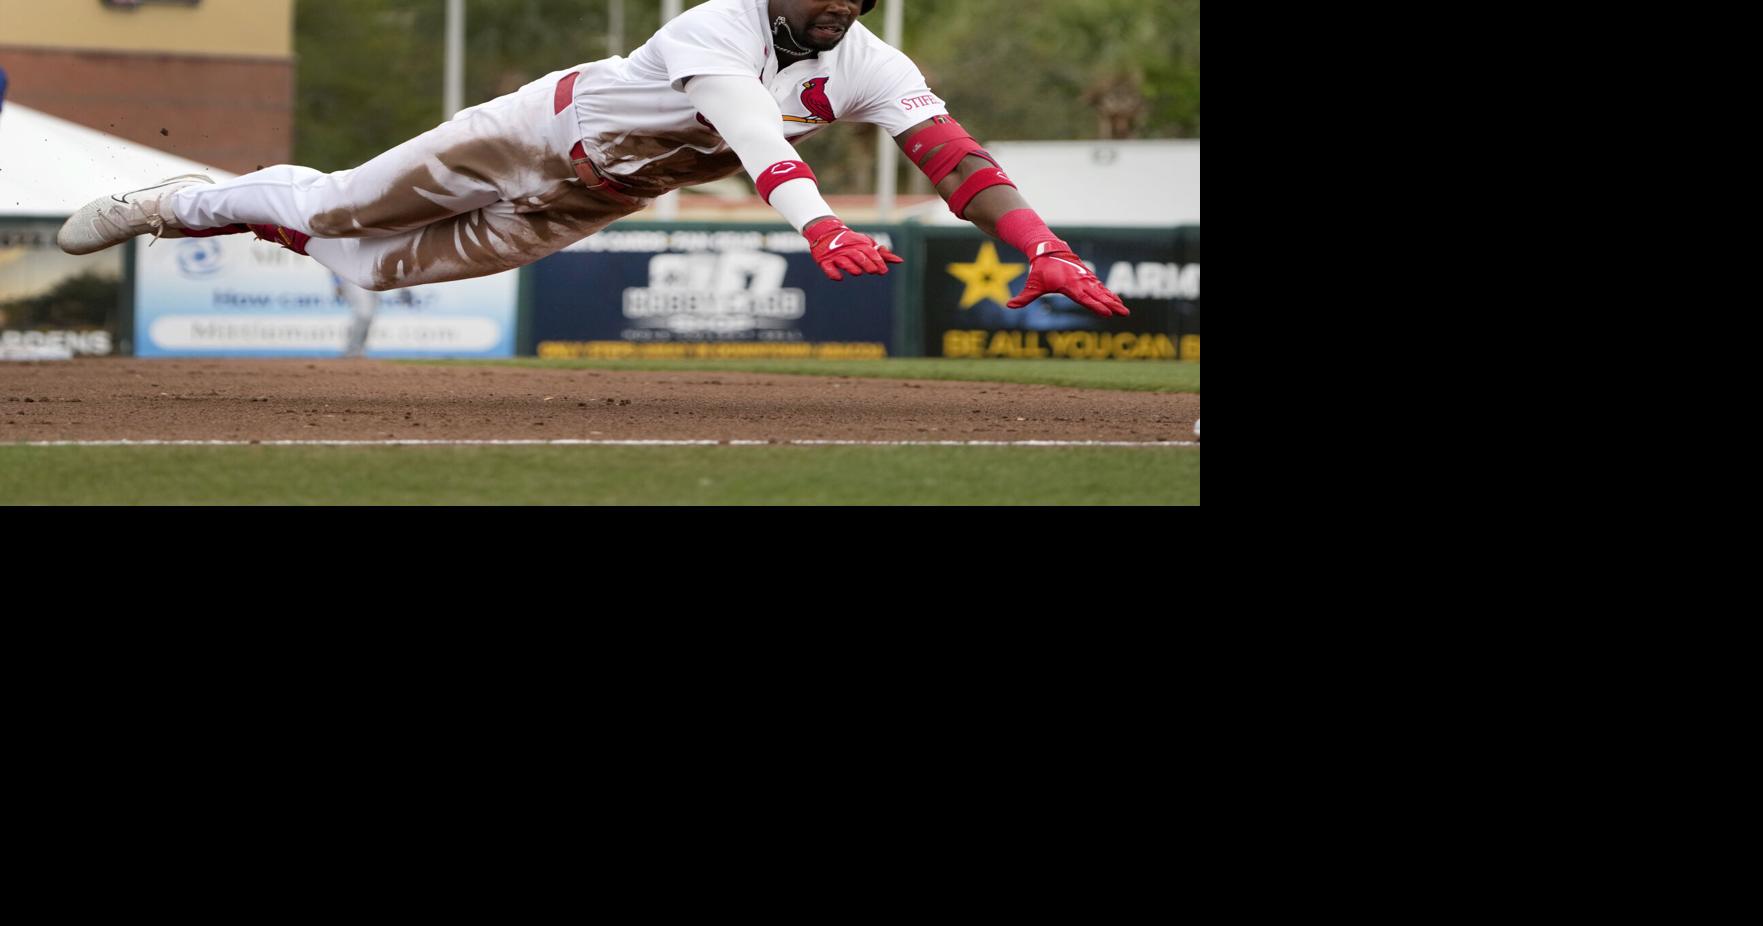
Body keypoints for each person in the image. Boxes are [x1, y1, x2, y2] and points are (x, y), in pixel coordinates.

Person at [57, 0, 1128, 318]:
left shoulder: (869, 60)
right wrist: (818, 223)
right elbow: (753, 133)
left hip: (594, 196)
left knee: (367, 265)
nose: (835, 2)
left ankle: (260, 215)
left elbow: (956, 159)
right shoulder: (716, 26)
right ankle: (182, 202)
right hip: (531, 133)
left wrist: (1042, 243)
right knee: (342, 207)